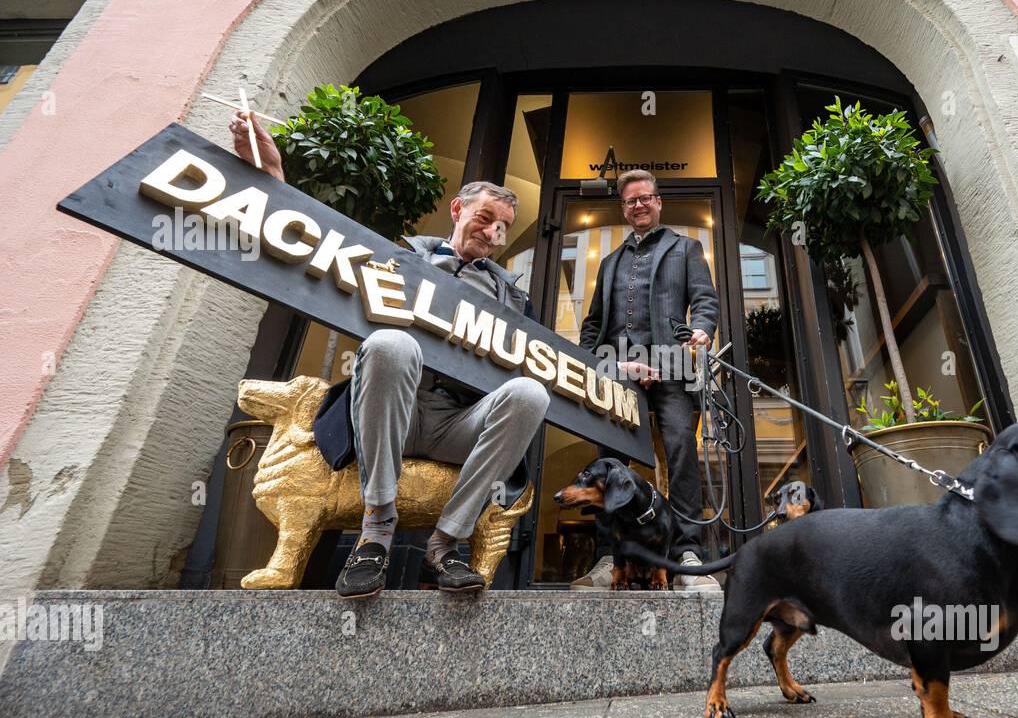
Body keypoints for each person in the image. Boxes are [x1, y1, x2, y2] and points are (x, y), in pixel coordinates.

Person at [230, 110, 548, 598]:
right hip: (386, 410)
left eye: (505, 227)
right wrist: (270, 177)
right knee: (391, 342)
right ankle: (376, 530)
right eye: (486, 219)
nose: (493, 234)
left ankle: (445, 545)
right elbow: (312, 238)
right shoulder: (395, 255)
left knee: (530, 392)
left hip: (454, 424)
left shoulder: (514, 298)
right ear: (458, 209)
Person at [575, 169, 721, 591]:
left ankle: (687, 552)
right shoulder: (608, 261)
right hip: (617, 369)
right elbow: (594, 323)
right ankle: (607, 558)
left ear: (658, 202)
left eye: (645, 199)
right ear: (624, 208)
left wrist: (703, 329)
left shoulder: (685, 248)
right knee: (609, 461)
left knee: (680, 453)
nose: (638, 206)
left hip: (672, 366)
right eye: (630, 201)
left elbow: (705, 300)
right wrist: (589, 361)